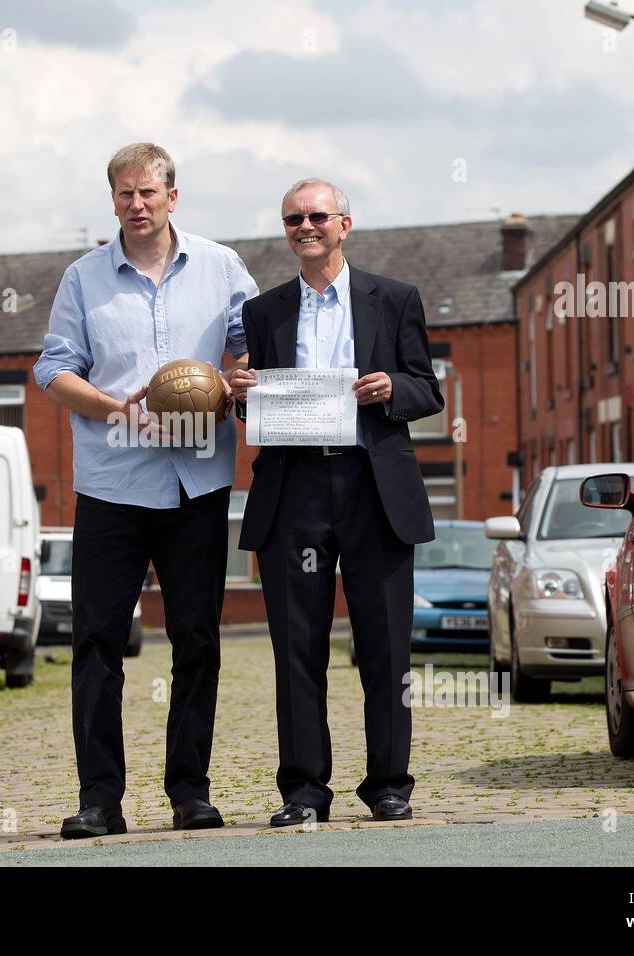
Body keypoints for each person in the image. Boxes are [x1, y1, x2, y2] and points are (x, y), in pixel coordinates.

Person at [34, 143, 258, 839]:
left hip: (197, 482)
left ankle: (190, 791)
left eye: (149, 192)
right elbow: (53, 369)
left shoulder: (222, 268)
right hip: (112, 486)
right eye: (124, 194)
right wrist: (113, 408)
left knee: (197, 641)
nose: (137, 204)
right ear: (113, 201)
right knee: (98, 644)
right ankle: (100, 799)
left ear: (172, 195)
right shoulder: (83, 279)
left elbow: (254, 349)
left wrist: (232, 381)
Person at [230, 178, 443, 826]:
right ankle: (302, 792)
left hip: (373, 486)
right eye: (294, 218)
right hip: (294, 489)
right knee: (297, 647)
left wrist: (391, 388)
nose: (305, 226)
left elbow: (427, 389)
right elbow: (255, 400)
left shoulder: (395, 298)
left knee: (385, 647)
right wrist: (242, 391)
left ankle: (388, 786)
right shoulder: (264, 313)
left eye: (318, 215)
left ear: (344, 224)